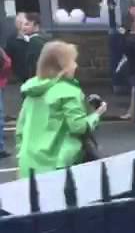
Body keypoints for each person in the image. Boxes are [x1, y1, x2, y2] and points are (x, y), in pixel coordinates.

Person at [16, 41, 107, 177]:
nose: (76, 65)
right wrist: (97, 114)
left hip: (28, 166)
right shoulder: (68, 92)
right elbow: (78, 127)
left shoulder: (32, 91)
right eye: (73, 62)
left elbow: (20, 131)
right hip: (58, 164)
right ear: (62, 66)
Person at [20, 13, 47, 82]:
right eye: (22, 24)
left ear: (36, 26)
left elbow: (32, 67)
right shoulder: (42, 38)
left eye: (27, 24)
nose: (23, 27)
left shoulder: (35, 42)